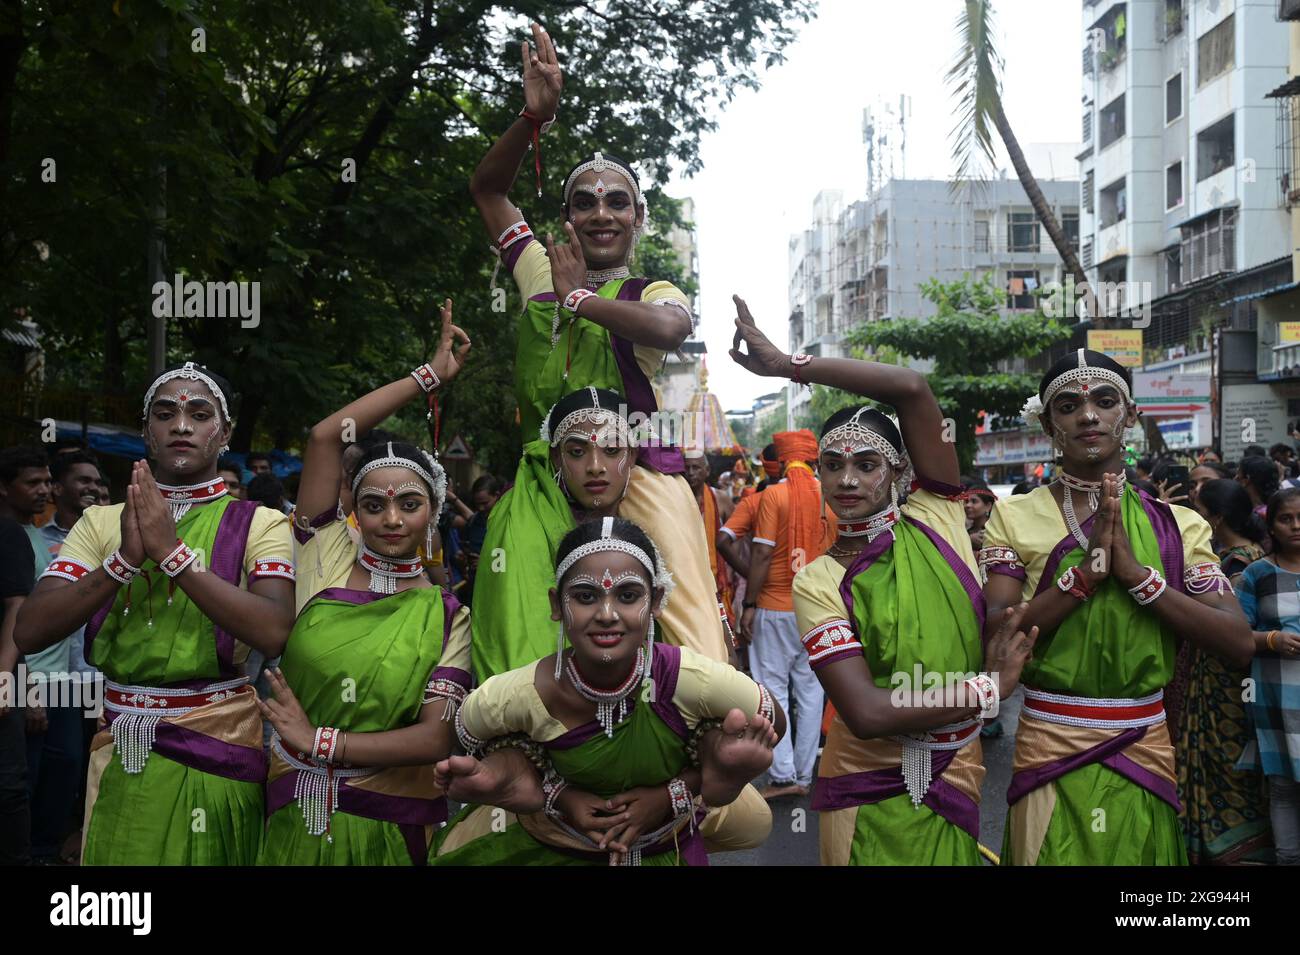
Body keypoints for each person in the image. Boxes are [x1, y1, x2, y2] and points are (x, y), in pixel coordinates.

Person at [729, 297, 1035, 865]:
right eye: (833, 464)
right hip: (863, 785)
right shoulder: (816, 581)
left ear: (900, 471)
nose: (847, 479)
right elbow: (866, 714)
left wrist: (790, 365)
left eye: (866, 464)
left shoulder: (936, 515)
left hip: (957, 767)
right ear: (816, 472)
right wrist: (988, 690)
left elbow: (912, 390)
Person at [467, 22, 725, 667]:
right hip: (549, 483)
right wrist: (533, 119)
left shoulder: (651, 287)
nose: (601, 212)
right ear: (568, 219)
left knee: (688, 635)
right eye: (585, 202)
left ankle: (711, 748)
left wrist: (580, 300)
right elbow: (488, 190)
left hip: (639, 480)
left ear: (638, 219)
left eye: (618, 202)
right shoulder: (537, 270)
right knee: (526, 631)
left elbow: (671, 328)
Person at [14, 362, 297, 865]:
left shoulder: (259, 521)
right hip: (122, 745)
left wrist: (173, 555)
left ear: (225, 432)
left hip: (218, 746)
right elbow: (31, 629)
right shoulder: (102, 521)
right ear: (147, 432)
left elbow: (273, 631)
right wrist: (124, 560)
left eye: (199, 414)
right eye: (165, 414)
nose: (181, 426)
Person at [980, 349, 1253, 865]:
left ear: (1130, 415)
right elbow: (996, 637)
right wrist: (1083, 578)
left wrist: (1136, 578)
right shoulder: (1013, 516)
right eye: (1068, 406)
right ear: (1046, 422)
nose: (1088, 416)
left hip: (1143, 747)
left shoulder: (1180, 524)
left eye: (1106, 401)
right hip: (1049, 744)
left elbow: (1236, 641)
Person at [432, 517, 785, 866]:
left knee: (722, 732)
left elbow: (773, 720)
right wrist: (557, 794)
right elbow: (466, 734)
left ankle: (713, 762)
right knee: (509, 752)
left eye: (628, 595)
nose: (606, 614)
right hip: (551, 844)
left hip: (665, 845)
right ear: (557, 605)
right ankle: (517, 778)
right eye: (585, 596)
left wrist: (672, 793)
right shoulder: (521, 693)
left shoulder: (687, 678)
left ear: (657, 600)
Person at [256, 301, 472, 865]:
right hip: (292, 812)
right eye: (374, 504)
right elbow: (327, 437)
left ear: (434, 511)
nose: (392, 520)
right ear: (353, 506)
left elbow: (434, 738)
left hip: (391, 828)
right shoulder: (323, 552)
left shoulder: (448, 614)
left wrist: (320, 742)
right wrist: (427, 377)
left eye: (409, 504)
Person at [471, 387, 727, 679]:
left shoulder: (660, 518)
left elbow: (700, 629)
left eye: (611, 450)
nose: (595, 467)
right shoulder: (523, 525)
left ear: (632, 456)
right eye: (577, 452)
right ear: (556, 457)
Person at [1170, 478, 1271, 864]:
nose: (1192, 513)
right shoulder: (1233, 555)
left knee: (1223, 760)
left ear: (1216, 516)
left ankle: (1229, 842)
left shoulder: (1240, 564)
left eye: (1198, 507)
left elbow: (1241, 632)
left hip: (1225, 681)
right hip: (1215, 675)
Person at [737, 427, 836, 799]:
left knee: (773, 688)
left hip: (774, 608)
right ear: (813, 457)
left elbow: (761, 554)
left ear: (781, 458)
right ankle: (806, 775)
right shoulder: (828, 496)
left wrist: (749, 604)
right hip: (818, 609)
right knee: (811, 691)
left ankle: (783, 775)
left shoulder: (773, 495)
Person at [26, 451, 102, 864]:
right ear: (59, 488)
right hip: (51, 681)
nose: (91, 487)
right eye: (82, 480)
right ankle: (40, 848)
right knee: (55, 764)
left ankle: (81, 839)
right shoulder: (36, 539)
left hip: (95, 679)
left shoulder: (113, 535)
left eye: (96, 482)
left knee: (89, 759)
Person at [1234, 487, 1300, 865]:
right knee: (1283, 786)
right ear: (1271, 525)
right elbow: (1237, 637)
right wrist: (1272, 639)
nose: (1295, 526)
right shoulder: (1257, 575)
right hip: (1276, 696)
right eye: (1285, 519)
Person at [0, 508, 35, 865]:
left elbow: (16, 609)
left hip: (3, 670)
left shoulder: (7, 534)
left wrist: (3, 678)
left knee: (7, 785)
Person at [684, 449, 737, 643]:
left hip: (718, 578)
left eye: (696, 467)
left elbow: (735, 538)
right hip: (687, 577)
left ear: (707, 471)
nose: (690, 472)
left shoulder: (720, 498)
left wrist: (731, 573)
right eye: (686, 468)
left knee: (722, 636)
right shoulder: (676, 499)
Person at [962, 478, 997, 551]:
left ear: (988, 506)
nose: (968, 505)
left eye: (974, 501)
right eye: (966, 501)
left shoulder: (996, 531)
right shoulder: (964, 531)